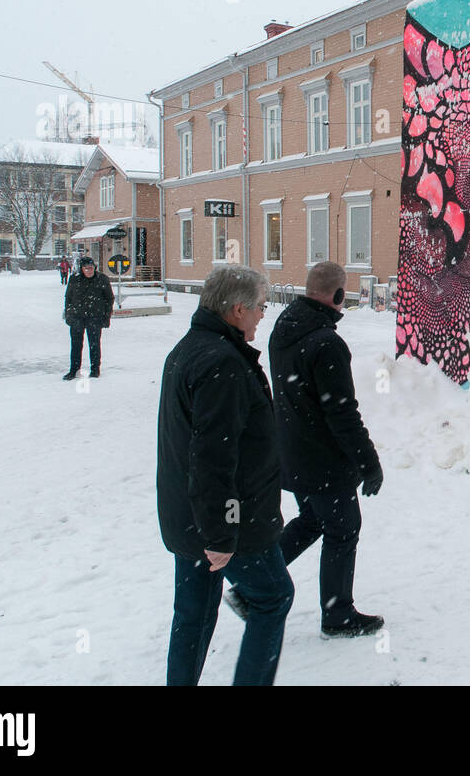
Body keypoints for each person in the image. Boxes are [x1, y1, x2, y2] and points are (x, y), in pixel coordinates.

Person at [156, 265, 293, 686]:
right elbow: (213, 457)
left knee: (194, 616)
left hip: (191, 516)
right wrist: (220, 533)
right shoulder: (222, 363)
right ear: (237, 310)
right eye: (259, 308)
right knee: (273, 597)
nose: (261, 316)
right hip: (232, 522)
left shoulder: (192, 348)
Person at [235, 260, 384, 638]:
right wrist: (369, 463)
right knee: (344, 530)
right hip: (324, 463)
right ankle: (338, 615)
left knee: (314, 521)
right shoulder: (327, 343)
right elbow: (342, 413)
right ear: (337, 295)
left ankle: (250, 589)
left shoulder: (284, 328)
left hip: (292, 454)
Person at [62, 257, 114, 379]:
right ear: (82, 269)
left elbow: (109, 299)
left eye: (91, 268)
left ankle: (95, 370)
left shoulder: (102, 279)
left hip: (95, 317)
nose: (89, 271)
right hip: (77, 317)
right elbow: (68, 298)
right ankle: (74, 370)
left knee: (94, 344)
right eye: (86, 268)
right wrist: (69, 315)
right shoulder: (74, 279)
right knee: (76, 345)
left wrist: (106, 316)